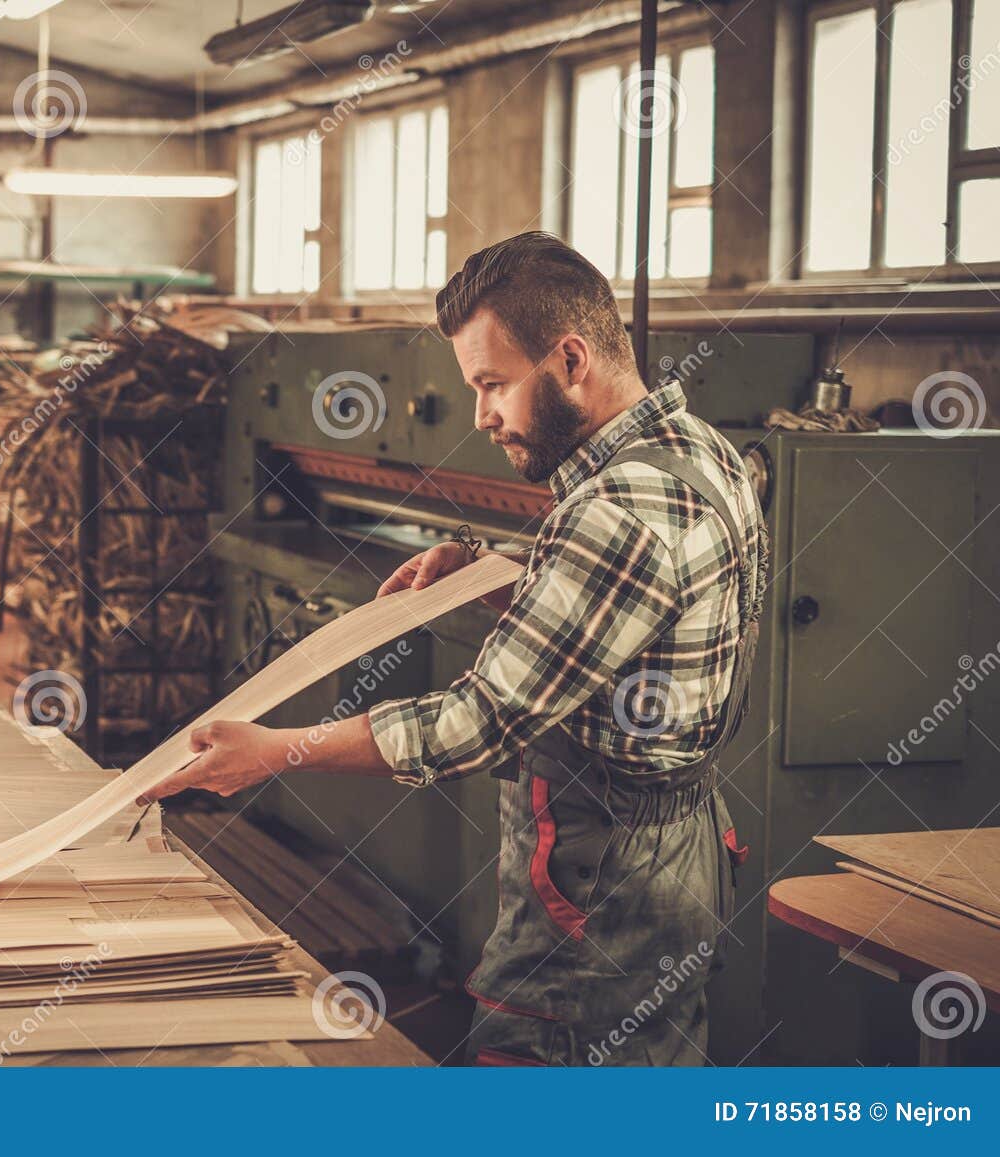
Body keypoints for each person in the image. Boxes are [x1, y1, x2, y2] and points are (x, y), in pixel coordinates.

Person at [142, 231, 770, 1065]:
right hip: (678, 846)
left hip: (604, 876)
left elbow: (479, 722)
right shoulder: (701, 454)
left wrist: (275, 750)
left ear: (572, 359)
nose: (481, 416)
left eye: (493, 384)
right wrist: (485, 574)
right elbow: (637, 618)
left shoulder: (617, 512)